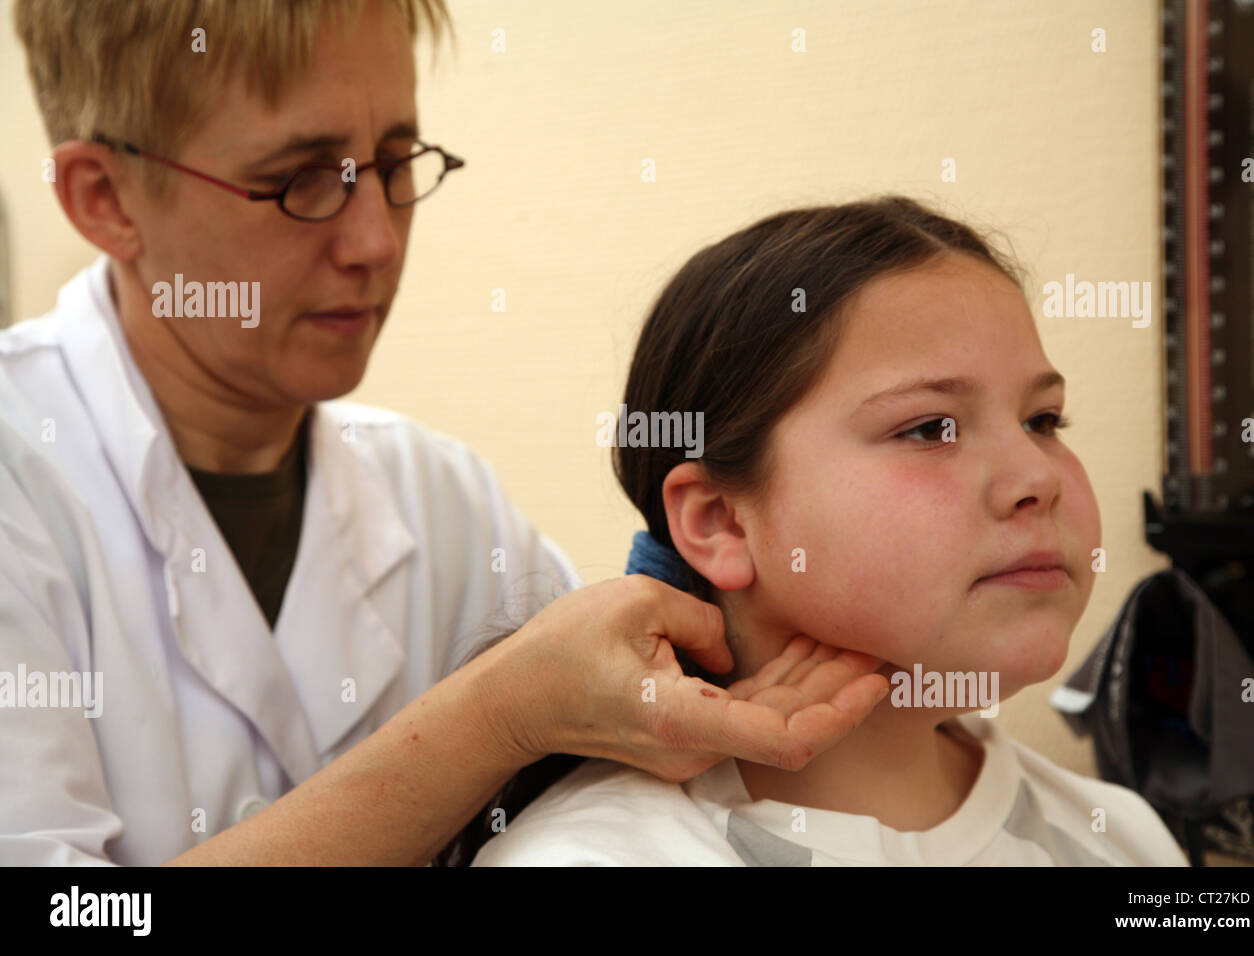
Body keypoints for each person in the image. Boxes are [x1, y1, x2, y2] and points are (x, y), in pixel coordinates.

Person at [0, 0, 889, 866]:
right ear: (104, 196)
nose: (376, 241)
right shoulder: (22, 472)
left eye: (393, 163)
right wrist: (494, 716)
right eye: (303, 180)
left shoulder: (442, 498)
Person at [465, 197, 1191, 866]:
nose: (1037, 476)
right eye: (931, 427)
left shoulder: (1123, 835)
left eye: (1043, 420)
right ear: (720, 521)